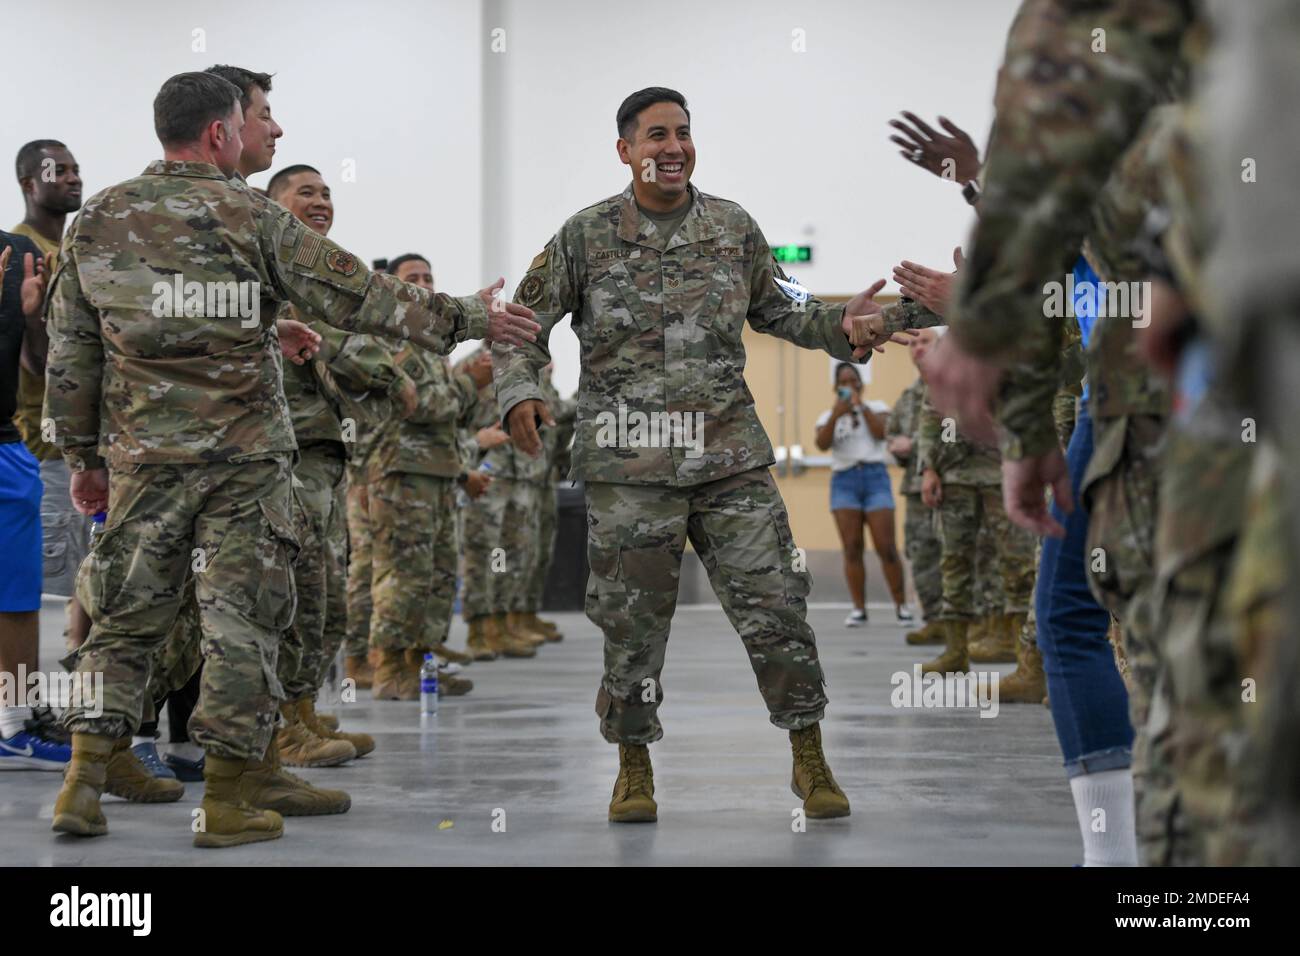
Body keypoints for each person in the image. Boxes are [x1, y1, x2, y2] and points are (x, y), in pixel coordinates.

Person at [45, 70, 537, 847]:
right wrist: (476, 315)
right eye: (250, 122)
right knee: (241, 624)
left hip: (143, 459)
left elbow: (72, 350)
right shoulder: (249, 214)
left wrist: (81, 455)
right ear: (219, 134)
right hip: (243, 464)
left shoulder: (99, 217)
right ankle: (233, 798)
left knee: (125, 620)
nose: (257, 134)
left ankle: (82, 781)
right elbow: (361, 298)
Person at [496, 86, 910, 824]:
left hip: (728, 459)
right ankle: (632, 765)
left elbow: (785, 311)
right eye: (656, 135)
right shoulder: (584, 236)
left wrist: (846, 327)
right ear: (625, 151)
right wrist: (520, 389)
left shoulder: (733, 227)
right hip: (630, 473)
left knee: (778, 608)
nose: (674, 147)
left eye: (683, 133)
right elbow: (524, 324)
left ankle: (809, 757)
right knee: (631, 627)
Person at [365, 253, 484, 699]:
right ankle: (388, 669)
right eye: (411, 278)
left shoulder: (431, 344)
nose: (423, 284)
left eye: (428, 277)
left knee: (437, 574)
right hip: (404, 473)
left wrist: (462, 389)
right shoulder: (393, 340)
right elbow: (428, 405)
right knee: (403, 574)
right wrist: (471, 383)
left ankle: (421, 663)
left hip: (437, 474)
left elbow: (452, 410)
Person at [11, 141, 93, 654]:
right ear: (28, 183)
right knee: (43, 583)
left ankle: (83, 698)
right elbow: (37, 360)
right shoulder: (19, 251)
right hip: (43, 443)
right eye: (57, 171)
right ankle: (24, 710)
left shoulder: (76, 252)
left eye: (75, 169)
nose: (71, 178)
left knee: (88, 574)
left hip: (86, 441)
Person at [0, 232, 65, 770]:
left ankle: (14, 723)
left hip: (5, 444)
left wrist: (35, 318)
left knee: (18, 591)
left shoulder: (18, 254)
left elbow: (40, 368)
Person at [814, 362, 911, 626]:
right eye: (843, 383)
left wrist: (861, 407)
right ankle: (859, 609)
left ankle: (901, 606)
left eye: (853, 381)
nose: (849, 386)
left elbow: (883, 434)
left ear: (861, 384)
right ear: (836, 387)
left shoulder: (878, 408)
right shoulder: (827, 416)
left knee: (886, 546)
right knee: (852, 547)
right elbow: (822, 444)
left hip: (875, 477)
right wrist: (837, 414)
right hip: (844, 480)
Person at [886, 335, 943, 646]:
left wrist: (916, 445)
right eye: (911, 344)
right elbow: (892, 432)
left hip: (952, 484)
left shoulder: (955, 386)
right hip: (915, 485)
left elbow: (960, 430)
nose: (917, 348)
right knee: (920, 552)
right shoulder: (908, 397)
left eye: (925, 341)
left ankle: (970, 623)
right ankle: (935, 619)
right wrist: (897, 447)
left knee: (959, 553)